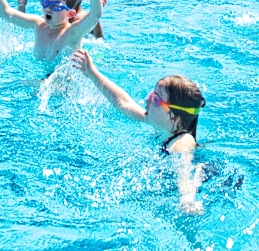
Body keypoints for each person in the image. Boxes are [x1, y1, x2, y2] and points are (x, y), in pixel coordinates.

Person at [72, 49, 205, 215]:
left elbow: (184, 166)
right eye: (152, 93)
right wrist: (92, 74)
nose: (147, 99)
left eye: (156, 99)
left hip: (203, 179)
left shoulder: (184, 140)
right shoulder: (159, 123)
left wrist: (187, 199)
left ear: (173, 118)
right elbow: (123, 102)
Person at [17, 0, 105, 39]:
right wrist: (22, 6)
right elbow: (25, 28)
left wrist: (95, 15)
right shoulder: (52, 14)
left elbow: (100, 42)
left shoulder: (85, 18)